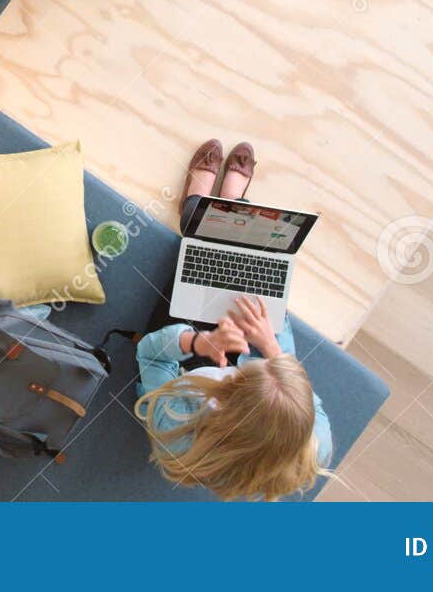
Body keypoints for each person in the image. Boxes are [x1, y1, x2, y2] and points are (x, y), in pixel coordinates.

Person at [131, 139, 333, 501]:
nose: (252, 358)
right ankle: (231, 203)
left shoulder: (175, 424)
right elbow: (300, 395)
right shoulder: (314, 446)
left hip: (181, 372)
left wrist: (197, 343)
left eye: (247, 369)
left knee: (199, 265)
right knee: (255, 281)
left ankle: (198, 209)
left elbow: (149, 355)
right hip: (250, 403)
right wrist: (271, 346)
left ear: (224, 394)